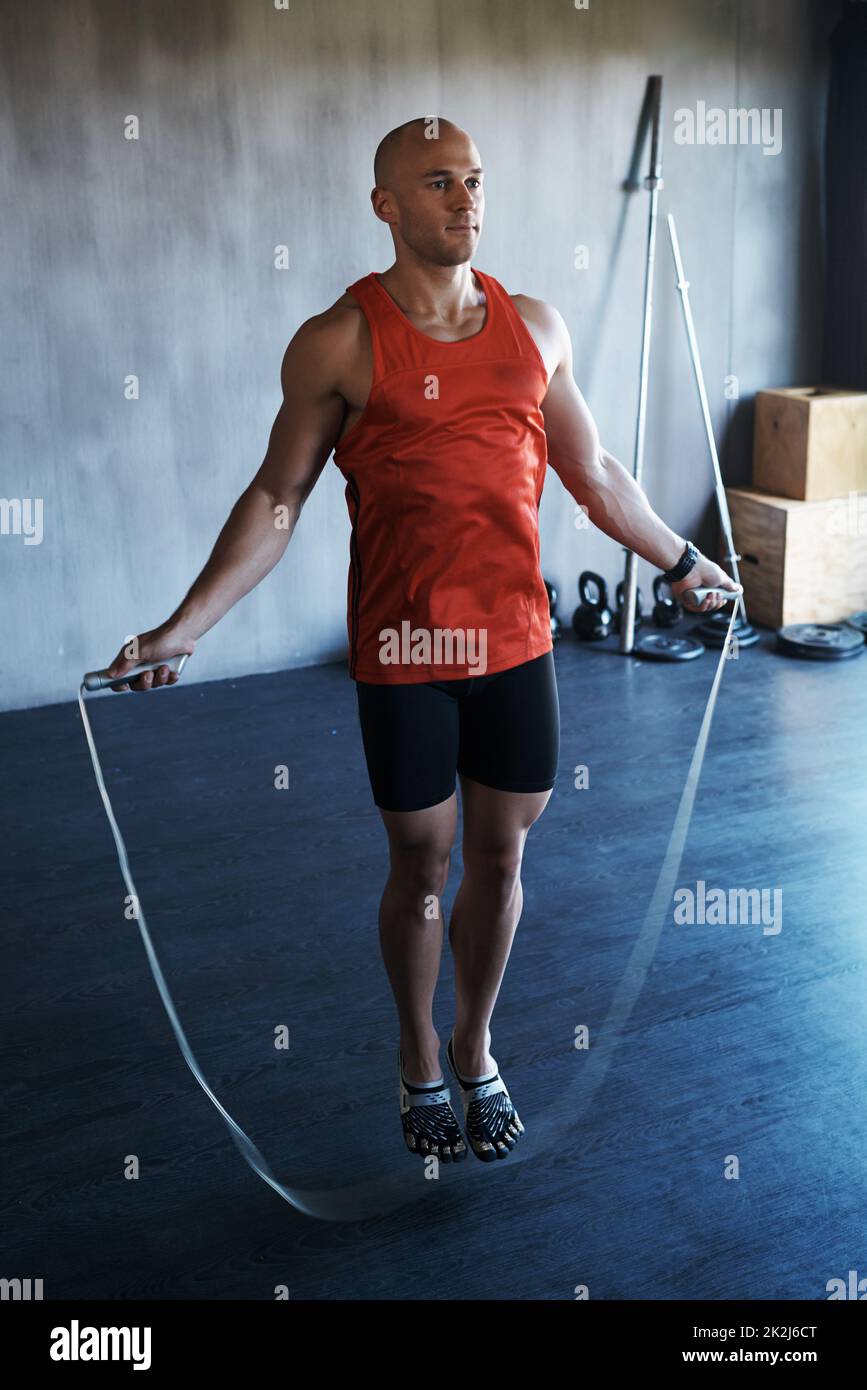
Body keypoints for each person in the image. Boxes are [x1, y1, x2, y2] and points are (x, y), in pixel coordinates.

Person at [104, 116, 739, 1167]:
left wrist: (681, 559)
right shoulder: (339, 341)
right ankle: (415, 1055)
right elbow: (276, 497)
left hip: (519, 644)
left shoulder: (535, 327)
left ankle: (475, 1044)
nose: (466, 200)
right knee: (424, 862)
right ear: (386, 206)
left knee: (505, 850)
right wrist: (184, 628)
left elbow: (594, 475)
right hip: (404, 651)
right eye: (439, 182)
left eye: (476, 180)